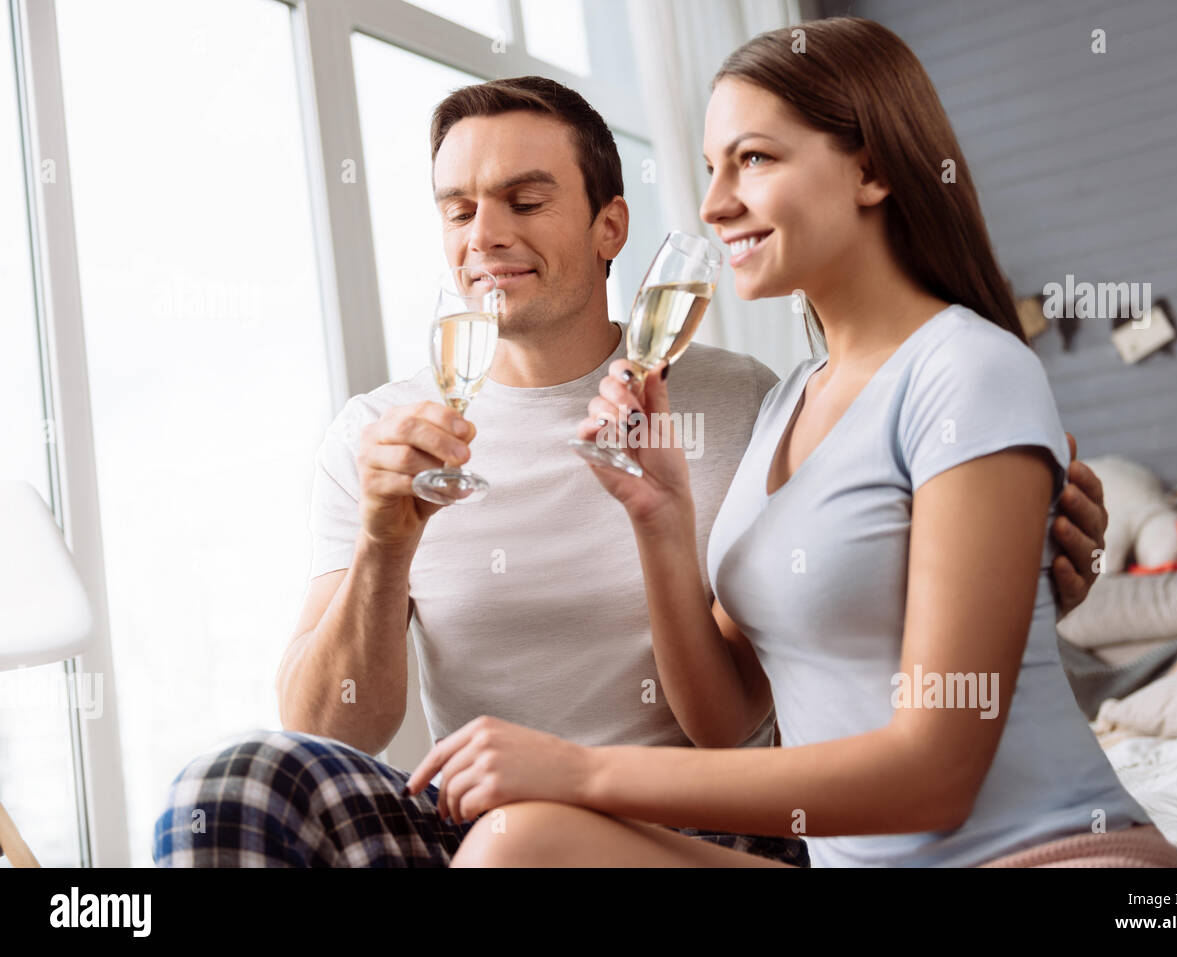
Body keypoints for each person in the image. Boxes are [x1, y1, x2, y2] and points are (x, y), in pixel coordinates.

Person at [153, 71, 1108, 868]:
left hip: (718, 821)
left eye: (526, 202)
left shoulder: (748, 402)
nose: (484, 235)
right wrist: (380, 548)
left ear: (611, 227)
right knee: (232, 787)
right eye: (459, 210)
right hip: (475, 815)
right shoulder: (380, 435)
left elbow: (829, 647)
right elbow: (333, 726)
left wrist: (1014, 572)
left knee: (519, 846)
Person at [402, 19, 1177, 869]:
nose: (713, 204)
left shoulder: (968, 369)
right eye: (711, 169)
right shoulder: (784, 406)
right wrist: (661, 522)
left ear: (873, 169)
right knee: (516, 843)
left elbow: (935, 773)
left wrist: (582, 769)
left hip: (1047, 856)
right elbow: (728, 721)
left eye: (755, 160)